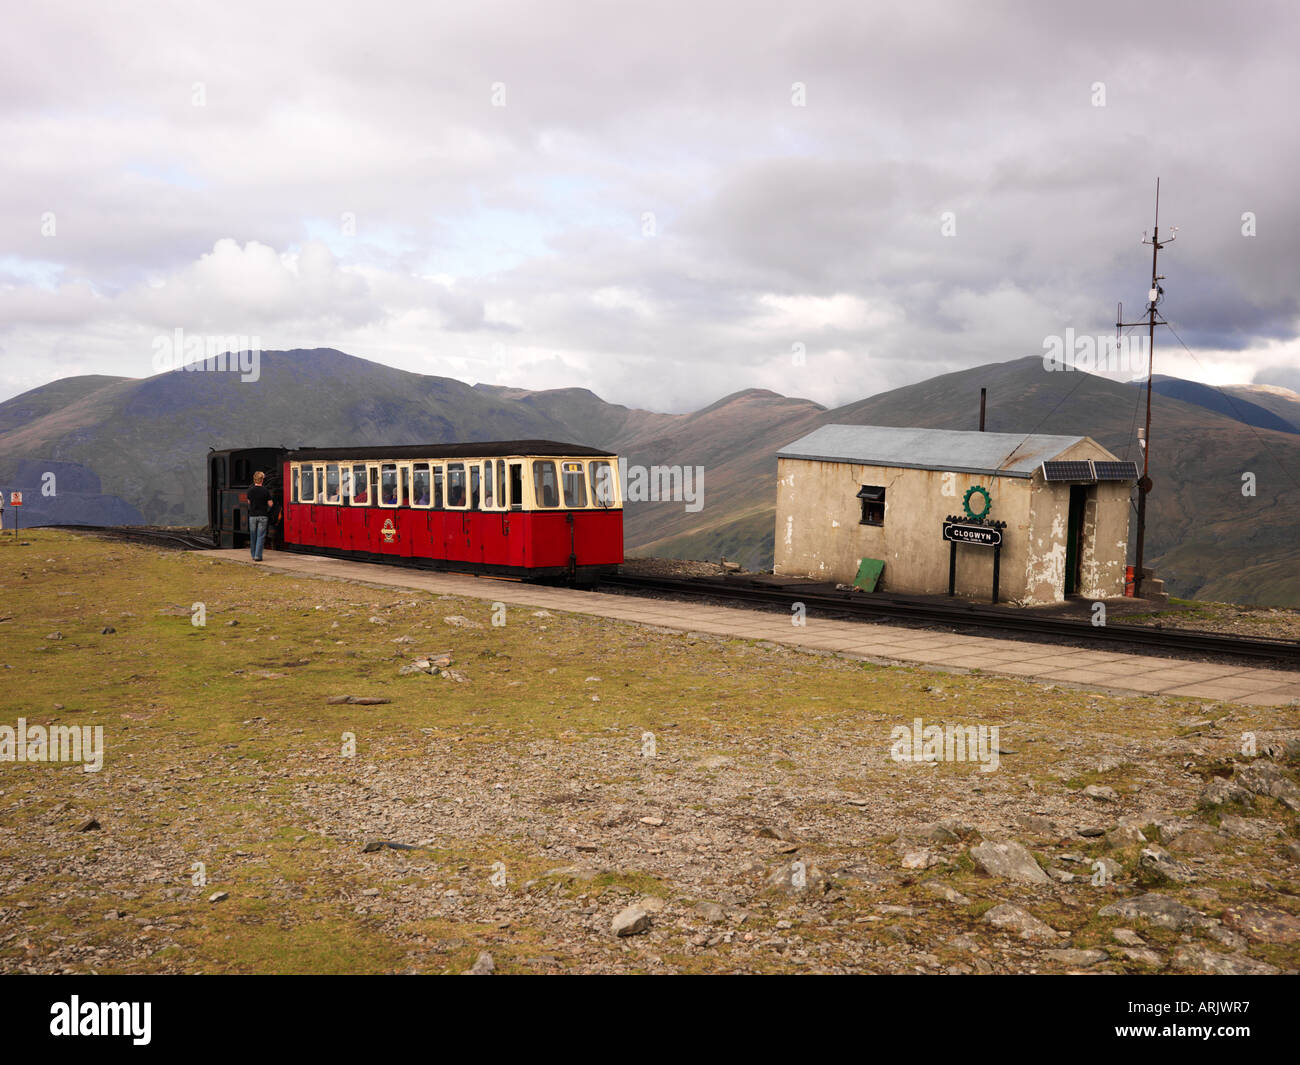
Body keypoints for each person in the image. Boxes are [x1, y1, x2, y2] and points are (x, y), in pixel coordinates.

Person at [246, 471, 272, 562]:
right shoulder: (265, 491)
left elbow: (249, 502)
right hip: (263, 516)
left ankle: (253, 555)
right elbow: (270, 504)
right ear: (262, 480)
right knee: (260, 536)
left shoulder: (250, 490)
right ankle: (258, 555)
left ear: (254, 479)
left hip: (252, 516)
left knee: (253, 536)